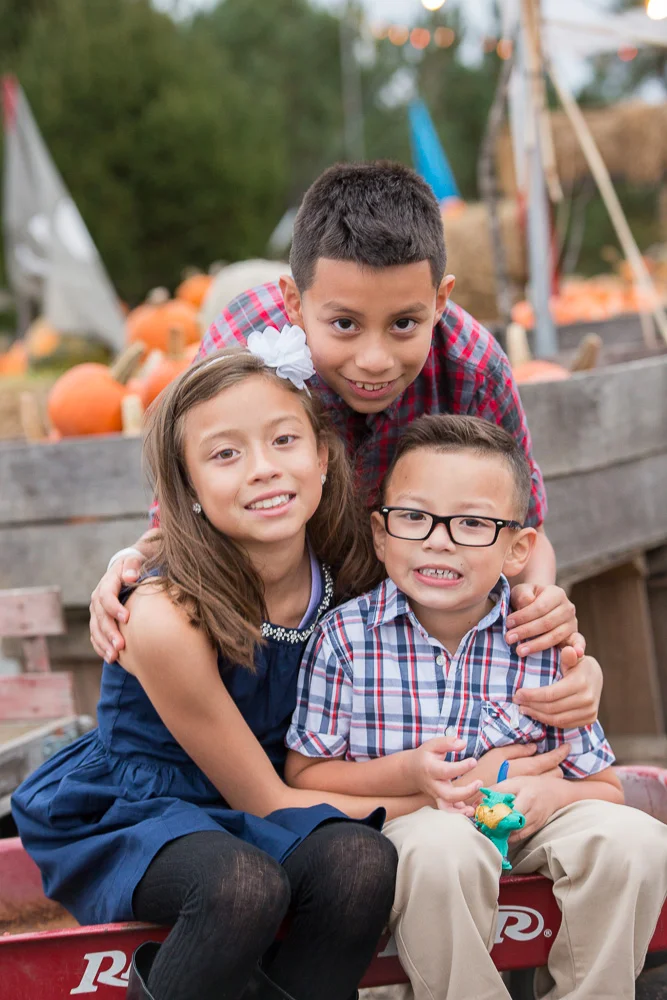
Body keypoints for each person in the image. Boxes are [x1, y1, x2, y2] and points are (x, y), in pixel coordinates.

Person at [89, 161, 602, 733]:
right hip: (267, 640)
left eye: (405, 323)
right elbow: (187, 510)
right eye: (345, 325)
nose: (375, 359)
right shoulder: (248, 350)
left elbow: (522, 533)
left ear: (440, 299)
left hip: (404, 637)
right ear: (292, 302)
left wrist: (541, 611)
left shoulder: (474, 368)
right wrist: (127, 567)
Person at [12, 340, 446, 1000]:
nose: (263, 470)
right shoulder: (165, 615)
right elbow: (265, 803)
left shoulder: (346, 574)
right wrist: (436, 800)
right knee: (242, 886)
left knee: (360, 862)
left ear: (323, 459)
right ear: (185, 489)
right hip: (144, 808)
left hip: (262, 793)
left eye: (282, 441)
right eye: (225, 454)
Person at [285, 414, 667, 1000]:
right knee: (445, 847)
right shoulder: (345, 640)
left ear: (518, 550)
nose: (438, 539)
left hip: (532, 823)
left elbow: (606, 787)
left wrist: (556, 795)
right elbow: (306, 776)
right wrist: (411, 773)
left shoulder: (537, 640)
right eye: (414, 517)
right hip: (414, 831)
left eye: (471, 524)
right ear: (382, 535)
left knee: (636, 840)